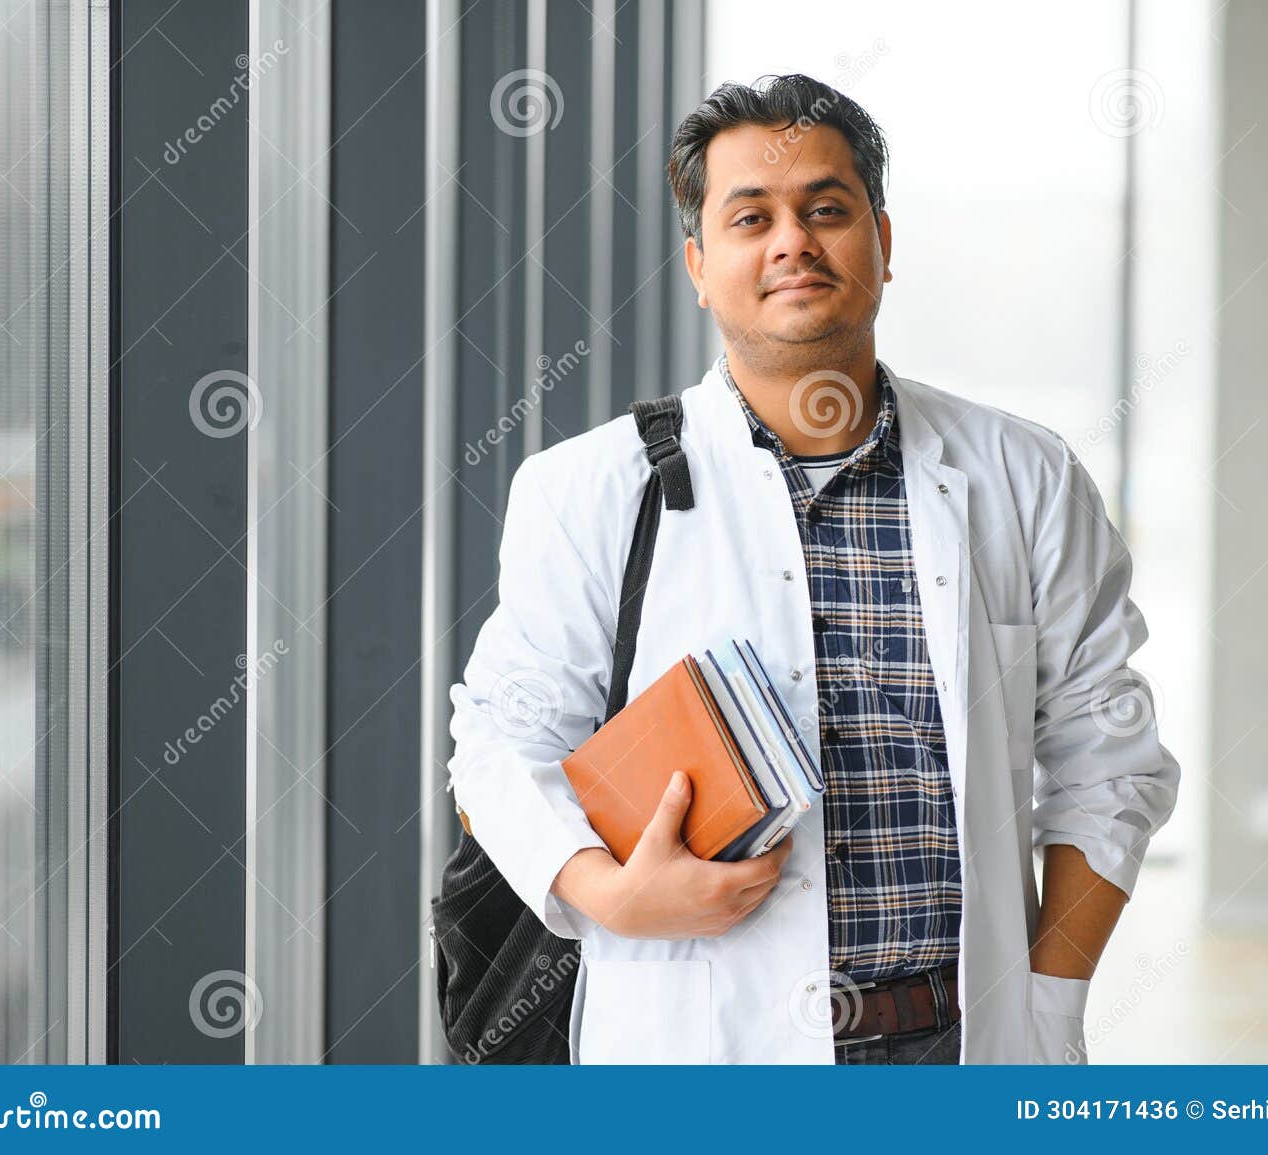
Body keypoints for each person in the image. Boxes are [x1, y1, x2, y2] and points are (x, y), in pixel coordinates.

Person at [447, 74, 1179, 1065]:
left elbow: (1109, 761)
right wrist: (605, 889)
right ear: (701, 265)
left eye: (824, 209)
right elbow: (498, 745)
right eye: (751, 216)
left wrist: (1048, 1005)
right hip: (700, 1051)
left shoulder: (1022, 476)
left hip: (959, 1048)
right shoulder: (589, 489)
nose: (792, 239)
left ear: (882, 241)